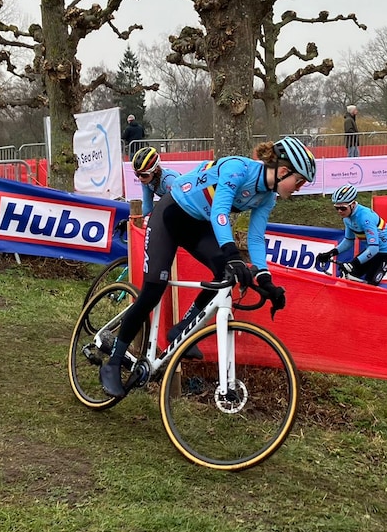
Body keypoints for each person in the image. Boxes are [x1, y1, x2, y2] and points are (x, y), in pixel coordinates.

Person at [100, 137, 317, 397]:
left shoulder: (267, 197)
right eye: (300, 181)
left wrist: (265, 277)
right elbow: (220, 211)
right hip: (170, 216)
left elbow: (256, 238)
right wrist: (232, 253)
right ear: (284, 171)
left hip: (197, 224)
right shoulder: (237, 169)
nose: (299, 188)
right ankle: (113, 362)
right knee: (153, 291)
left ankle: (182, 328)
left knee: (225, 274)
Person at [317, 184, 387, 286]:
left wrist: (353, 264)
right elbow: (348, 241)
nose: (339, 211)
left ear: (353, 205)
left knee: (369, 286)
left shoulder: (365, 218)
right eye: (336, 208)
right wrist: (330, 253)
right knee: (346, 278)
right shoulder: (347, 217)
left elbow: (374, 248)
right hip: (372, 249)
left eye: (343, 208)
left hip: (385, 252)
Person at [131, 147, 180, 217]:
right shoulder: (146, 181)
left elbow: (173, 208)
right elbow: (147, 207)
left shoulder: (169, 181)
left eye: (144, 175)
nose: (140, 178)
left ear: (155, 170)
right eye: (137, 174)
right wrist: (132, 219)